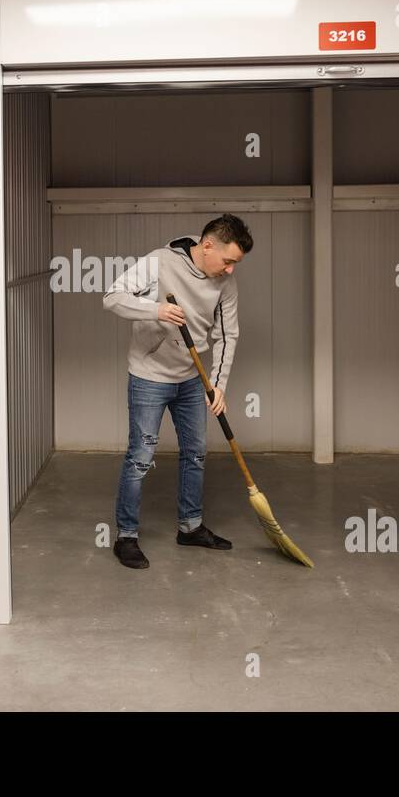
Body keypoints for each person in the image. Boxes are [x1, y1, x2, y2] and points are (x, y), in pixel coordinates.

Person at [101, 213, 251, 569]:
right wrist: (156, 310)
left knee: (196, 454)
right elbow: (112, 297)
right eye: (227, 260)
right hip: (149, 376)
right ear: (207, 245)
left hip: (191, 379)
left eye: (235, 263)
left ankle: (190, 527)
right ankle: (126, 536)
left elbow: (227, 334)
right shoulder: (159, 262)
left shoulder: (226, 282)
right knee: (140, 457)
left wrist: (218, 385)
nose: (230, 269)